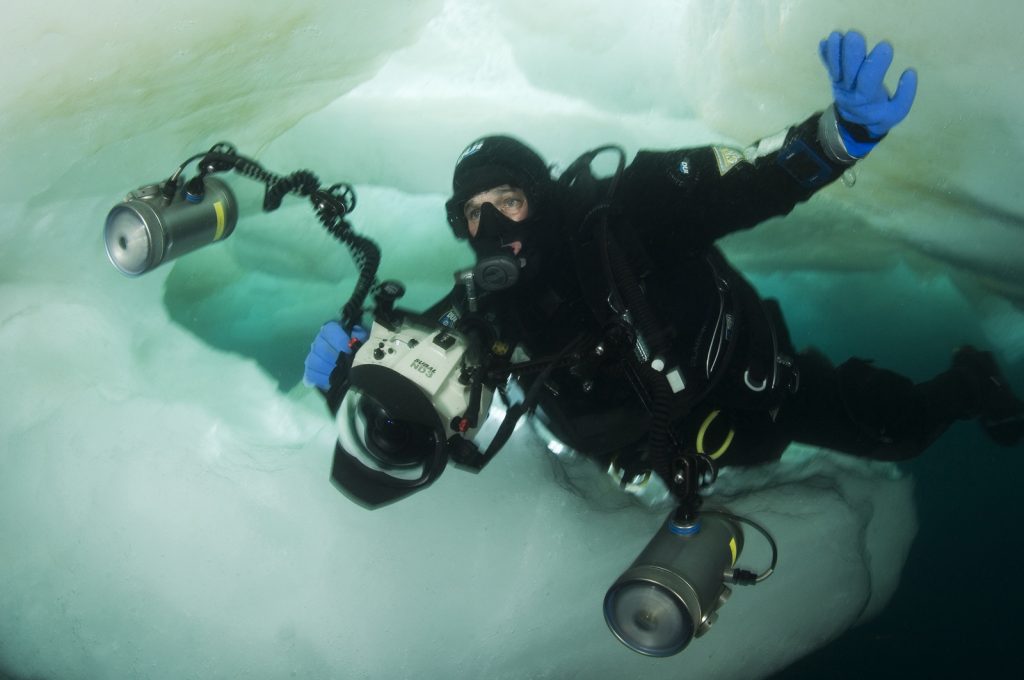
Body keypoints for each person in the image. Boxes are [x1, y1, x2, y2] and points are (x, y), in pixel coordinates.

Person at [305, 31, 1022, 497]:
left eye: (508, 200)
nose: (490, 224)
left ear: (543, 199)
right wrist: (350, 382)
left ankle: (969, 384)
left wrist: (837, 138)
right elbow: (426, 401)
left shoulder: (630, 218)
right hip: (649, 460)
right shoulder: (490, 308)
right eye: (473, 213)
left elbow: (747, 189)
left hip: (751, 400)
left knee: (897, 427)